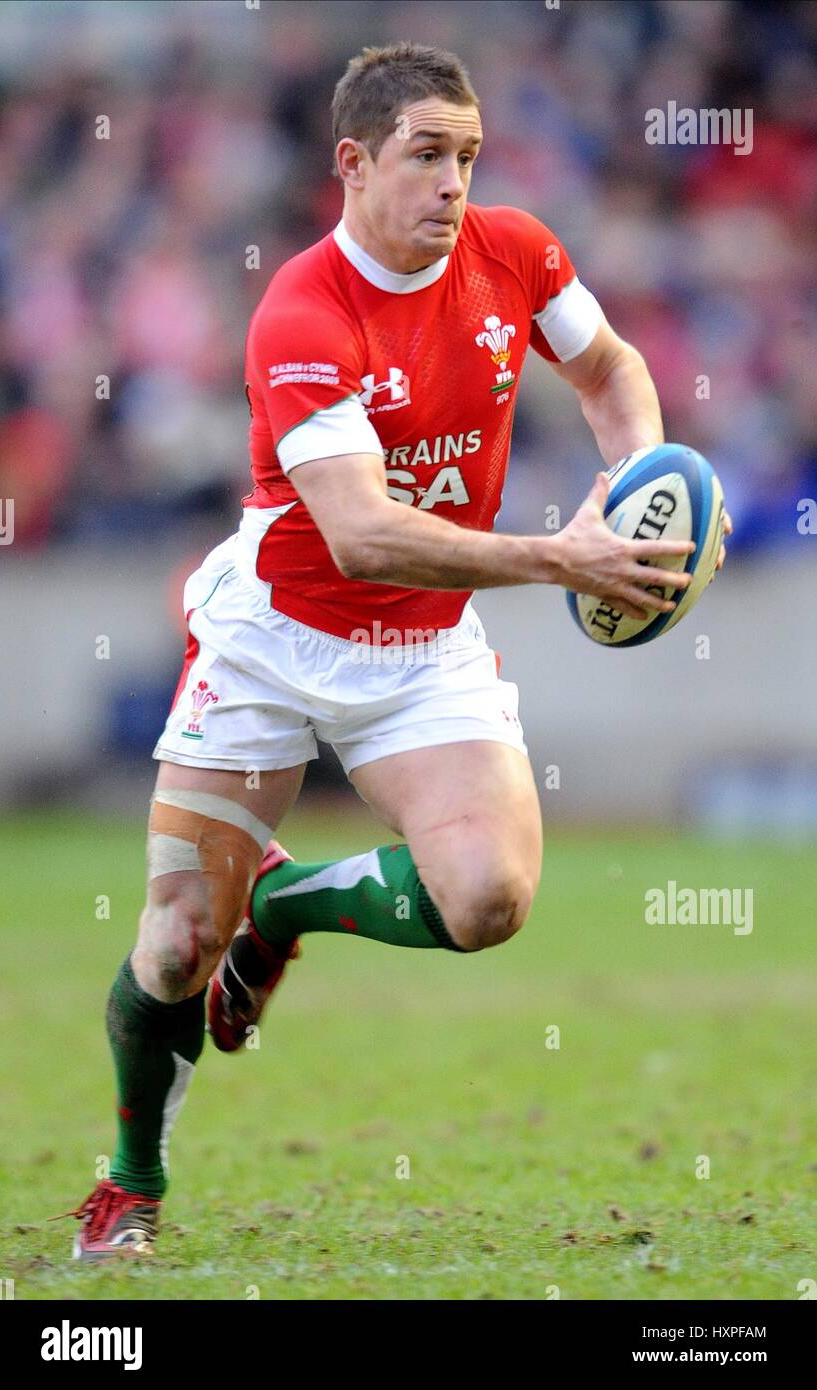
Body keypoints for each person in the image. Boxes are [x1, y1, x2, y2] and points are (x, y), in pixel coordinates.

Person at [65, 41, 727, 1260]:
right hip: (277, 638)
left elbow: (610, 367)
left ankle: (286, 904)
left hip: (419, 653)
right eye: (427, 155)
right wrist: (557, 556)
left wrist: (640, 479)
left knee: (488, 900)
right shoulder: (302, 312)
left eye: (468, 156)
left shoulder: (516, 253)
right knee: (169, 944)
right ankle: (133, 1184)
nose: (453, 183)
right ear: (354, 164)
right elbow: (364, 535)